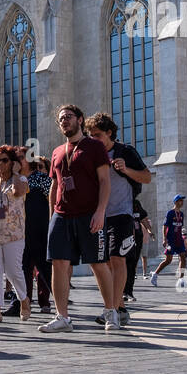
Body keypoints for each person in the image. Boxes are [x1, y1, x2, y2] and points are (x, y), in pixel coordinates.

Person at [39, 103, 118, 334]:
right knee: (59, 264)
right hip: (62, 215)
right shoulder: (56, 152)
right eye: (61, 118)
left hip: (89, 214)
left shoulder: (94, 147)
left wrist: (101, 211)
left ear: (80, 120)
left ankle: (111, 312)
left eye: (69, 117)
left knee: (98, 263)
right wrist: (52, 216)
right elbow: (54, 186)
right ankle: (62, 316)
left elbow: (104, 181)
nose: (64, 121)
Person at [85, 113, 151, 328]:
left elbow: (147, 177)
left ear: (109, 132)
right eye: (90, 136)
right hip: (98, 215)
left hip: (122, 213)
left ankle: (113, 309)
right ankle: (118, 307)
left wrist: (126, 169)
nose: (94, 139)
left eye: (97, 135)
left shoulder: (125, 151)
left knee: (117, 259)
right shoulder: (91, 154)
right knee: (101, 263)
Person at [0, 145, 29, 323]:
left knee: (13, 271)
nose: (0, 163)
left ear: (12, 163)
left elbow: (18, 192)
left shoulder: (21, 180)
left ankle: (24, 299)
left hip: (14, 234)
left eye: (4, 160)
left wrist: (17, 173)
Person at [12, 158, 51, 315]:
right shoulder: (15, 180)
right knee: (22, 269)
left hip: (40, 230)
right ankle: (23, 303)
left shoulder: (41, 179)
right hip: (20, 232)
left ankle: (50, 304)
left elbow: (53, 201)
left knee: (45, 270)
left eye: (20, 157)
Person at [151, 195, 187, 283]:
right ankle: (155, 274)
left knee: (183, 256)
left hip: (179, 239)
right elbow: (164, 226)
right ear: (175, 202)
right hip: (170, 240)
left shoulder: (181, 214)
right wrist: (164, 239)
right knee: (168, 260)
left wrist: (183, 237)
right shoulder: (170, 213)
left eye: (182, 201)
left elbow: (180, 226)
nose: (182, 202)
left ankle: (181, 279)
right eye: (180, 200)